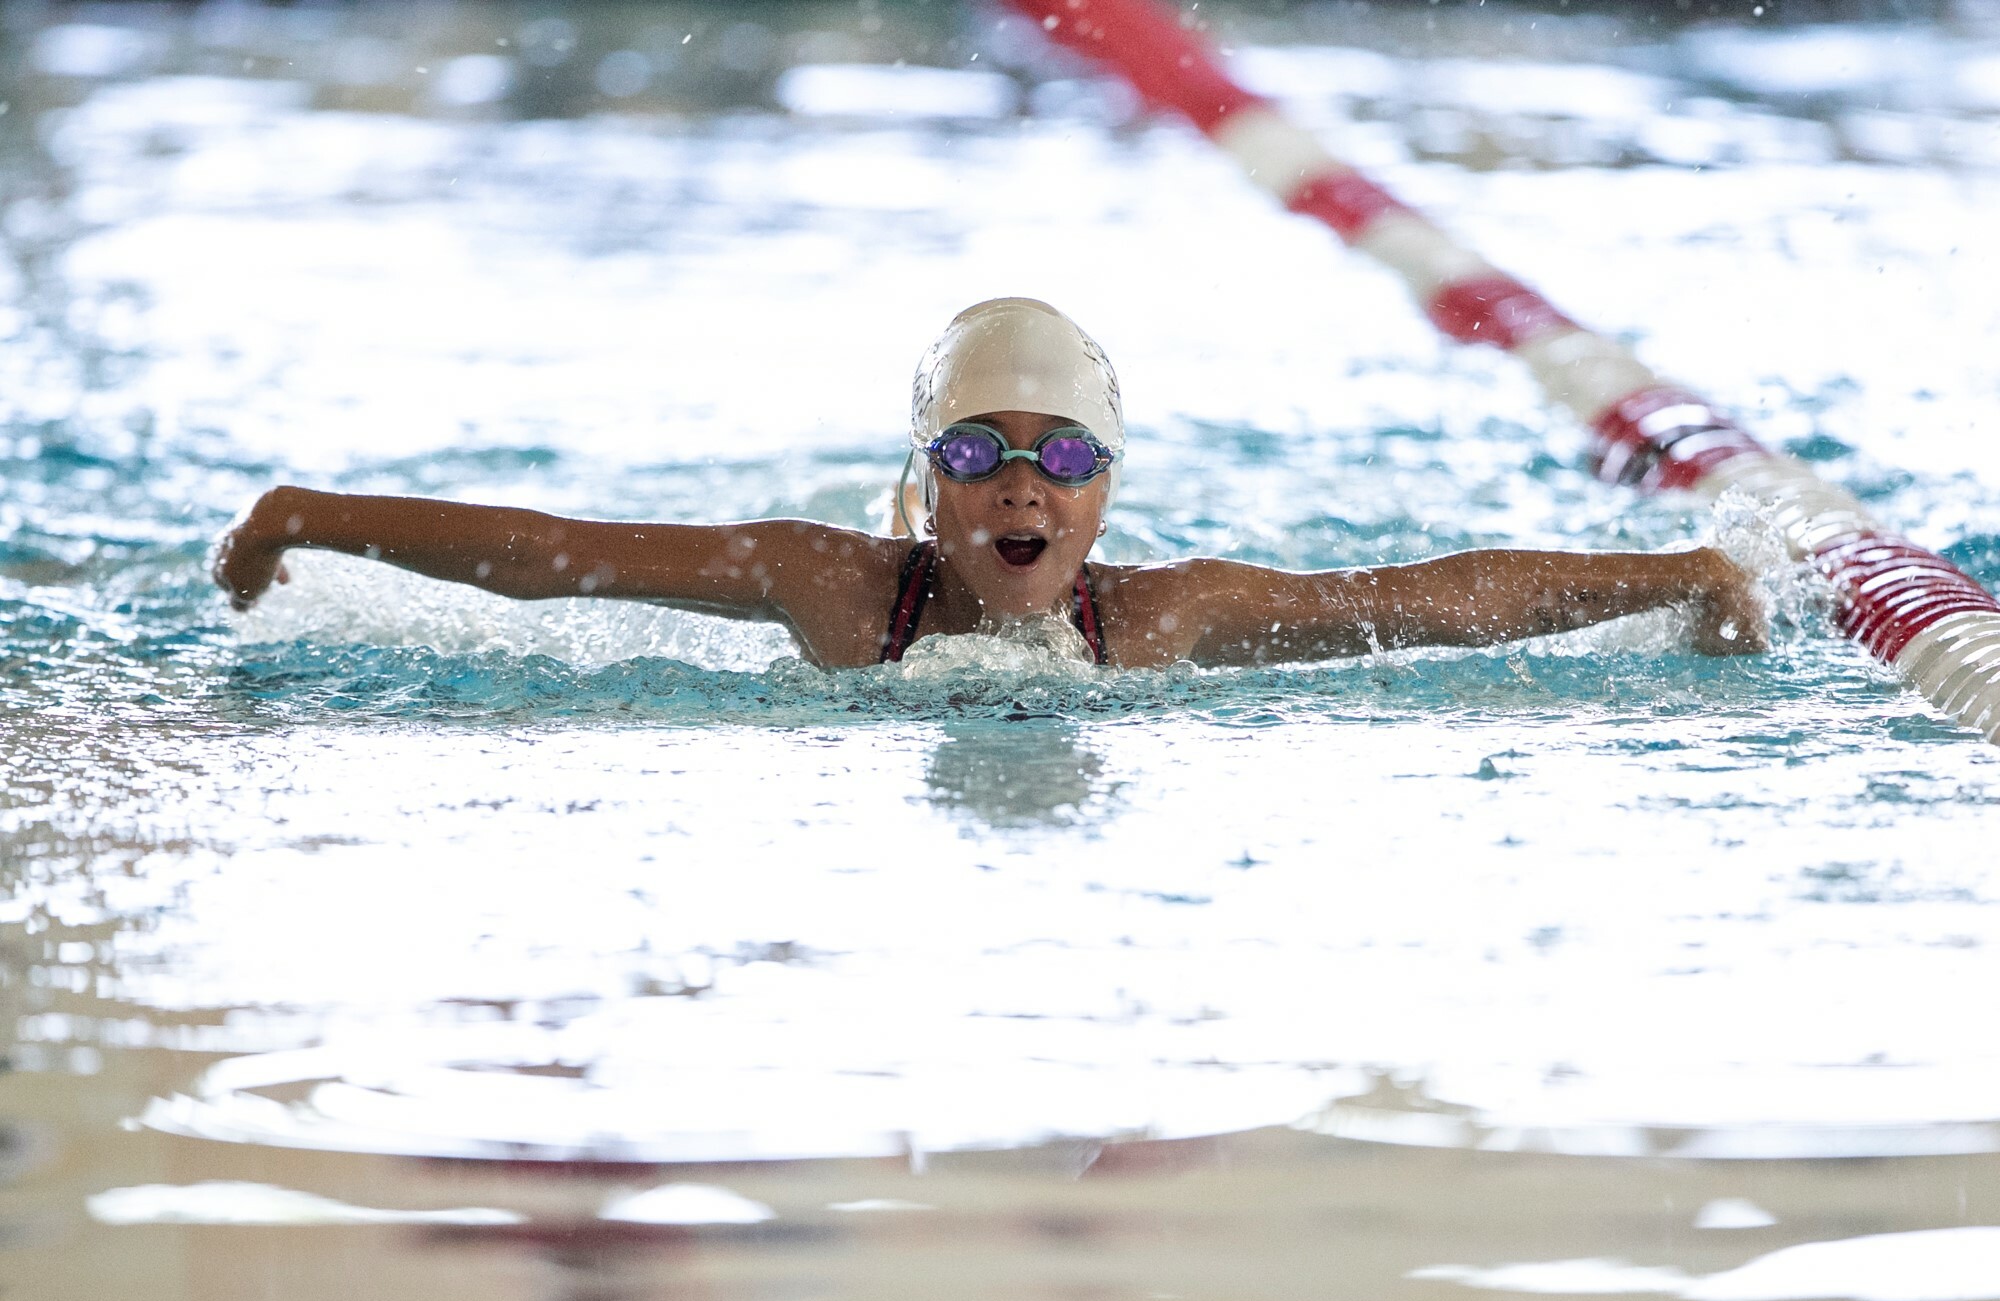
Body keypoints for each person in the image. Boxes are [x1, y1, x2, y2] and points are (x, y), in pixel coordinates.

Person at [212, 297, 1766, 669]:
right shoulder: (837, 589)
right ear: (931, 487)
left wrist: (1685, 575)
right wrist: (305, 514)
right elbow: (568, 551)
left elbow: (1412, 607)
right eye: (976, 454)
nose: (1021, 484)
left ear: (1102, 498)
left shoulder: (1159, 617)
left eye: (1063, 458)